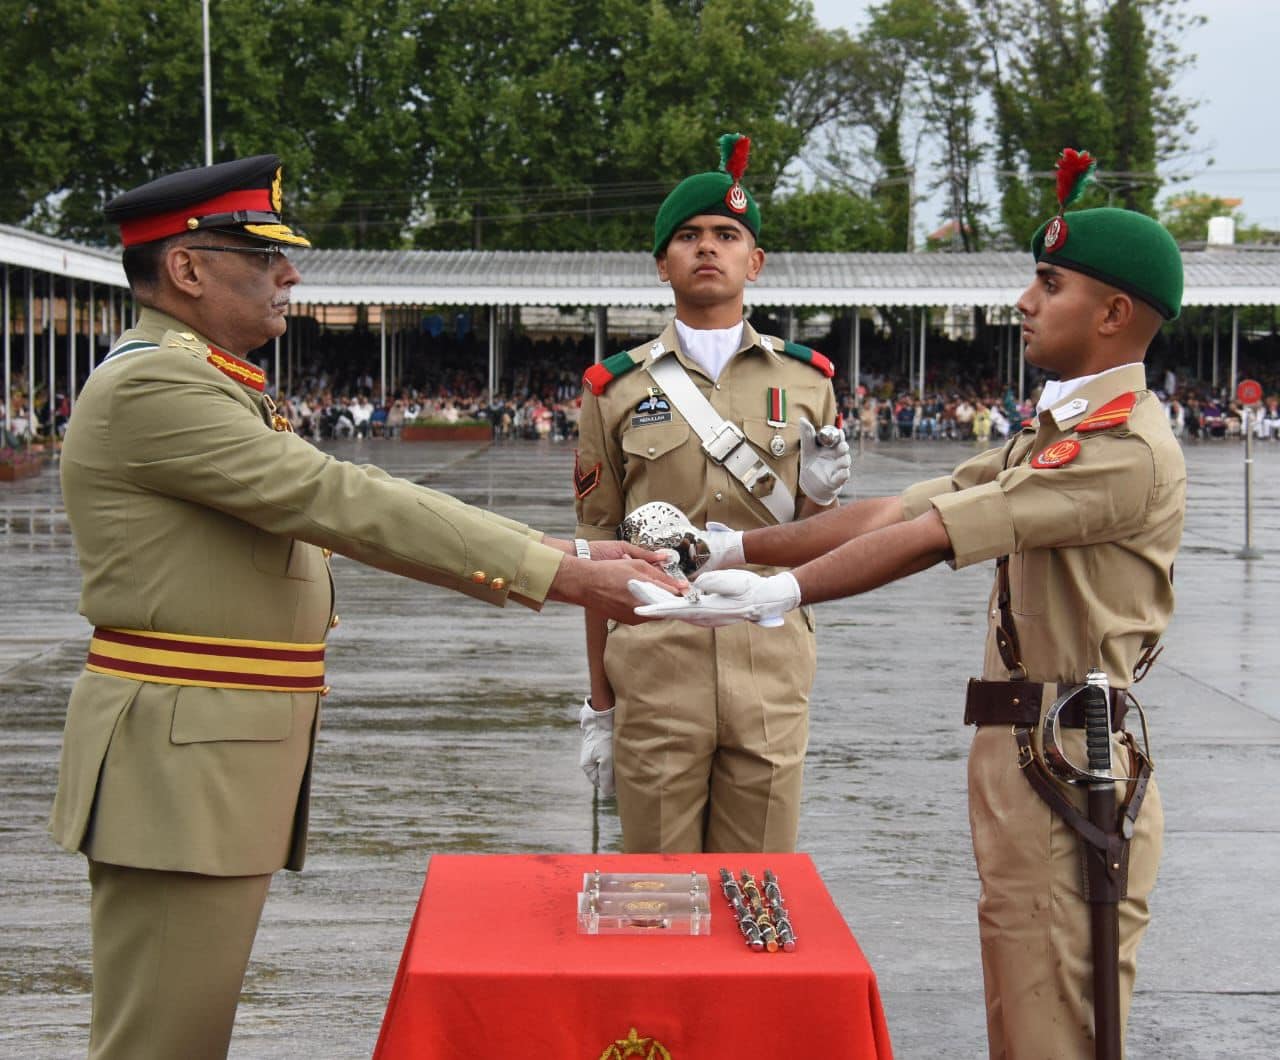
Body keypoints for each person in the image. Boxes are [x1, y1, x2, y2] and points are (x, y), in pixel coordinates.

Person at [49, 154, 681, 1060]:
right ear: (187, 269)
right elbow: (344, 502)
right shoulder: (158, 385)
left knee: (186, 1034)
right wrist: (569, 578)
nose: (290, 275)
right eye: (264, 257)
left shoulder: (197, 377)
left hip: (203, 760)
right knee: (162, 1041)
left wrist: (572, 550)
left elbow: (351, 497)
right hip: (177, 773)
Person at [633, 151, 1185, 1059]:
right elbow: (899, 507)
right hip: (1031, 757)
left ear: (1114, 313)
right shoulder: (1060, 431)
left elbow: (933, 537)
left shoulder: (1119, 447)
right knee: (1022, 1013)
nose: (1023, 302)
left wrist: (784, 591)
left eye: (1048, 284)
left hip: (1073, 764)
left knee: (1058, 1031)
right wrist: (725, 547)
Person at [573, 133, 850, 853]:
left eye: (727, 235)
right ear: (662, 262)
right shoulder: (614, 389)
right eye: (688, 236)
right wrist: (600, 705)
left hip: (771, 664)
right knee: (656, 900)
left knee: (758, 895)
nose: (707, 248)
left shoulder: (810, 382)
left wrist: (822, 499)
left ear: (753, 262)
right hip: (654, 663)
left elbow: (820, 538)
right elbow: (592, 557)